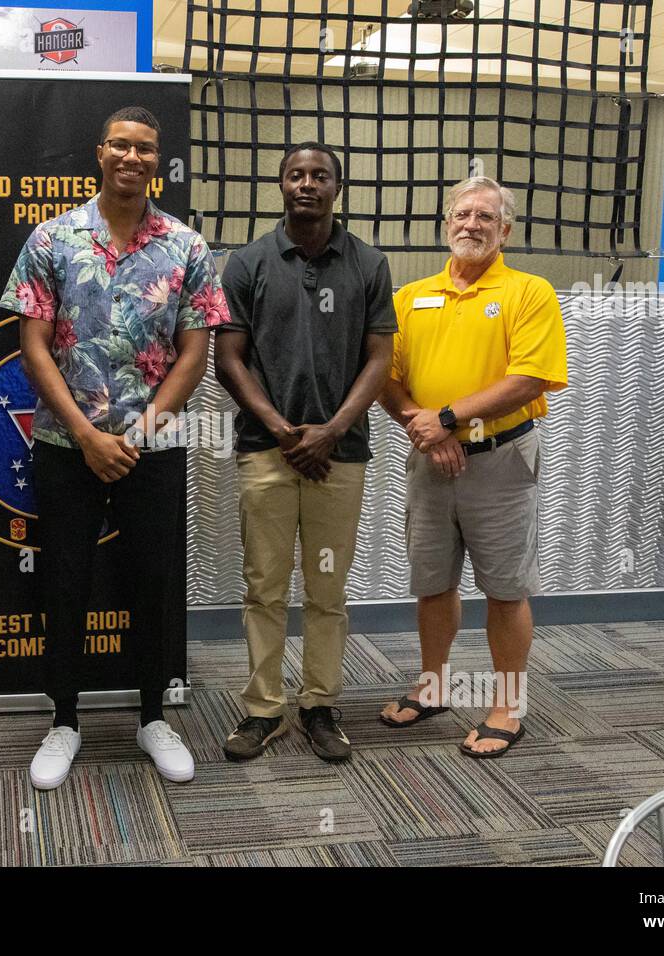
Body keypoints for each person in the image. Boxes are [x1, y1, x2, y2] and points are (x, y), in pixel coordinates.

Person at [0, 106, 229, 789]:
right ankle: (64, 720)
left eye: (146, 149)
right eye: (121, 145)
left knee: (151, 582)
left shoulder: (187, 246)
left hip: (150, 448)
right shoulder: (52, 238)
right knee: (64, 579)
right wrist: (87, 434)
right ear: (100, 152)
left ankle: (153, 715)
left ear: (158, 160)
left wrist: (142, 430)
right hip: (65, 444)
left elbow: (196, 350)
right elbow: (31, 346)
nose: (132, 157)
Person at [215, 142, 395, 762]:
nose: (307, 184)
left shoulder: (369, 264)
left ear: (337, 188)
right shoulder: (247, 263)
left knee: (326, 588)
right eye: (297, 175)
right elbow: (228, 359)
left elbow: (379, 358)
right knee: (263, 587)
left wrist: (331, 430)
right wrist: (285, 429)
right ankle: (263, 710)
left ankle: (319, 705)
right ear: (281, 186)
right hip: (267, 452)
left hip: (340, 456)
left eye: (320, 175)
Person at [377, 176, 568, 758]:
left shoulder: (529, 292)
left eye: (486, 216)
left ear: (505, 230)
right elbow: (385, 377)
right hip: (430, 457)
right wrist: (427, 429)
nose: (472, 225)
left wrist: (448, 418)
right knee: (433, 584)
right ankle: (434, 685)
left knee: (506, 590)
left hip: (502, 460)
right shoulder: (409, 298)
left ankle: (508, 706)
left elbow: (530, 377)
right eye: (462, 214)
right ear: (446, 224)